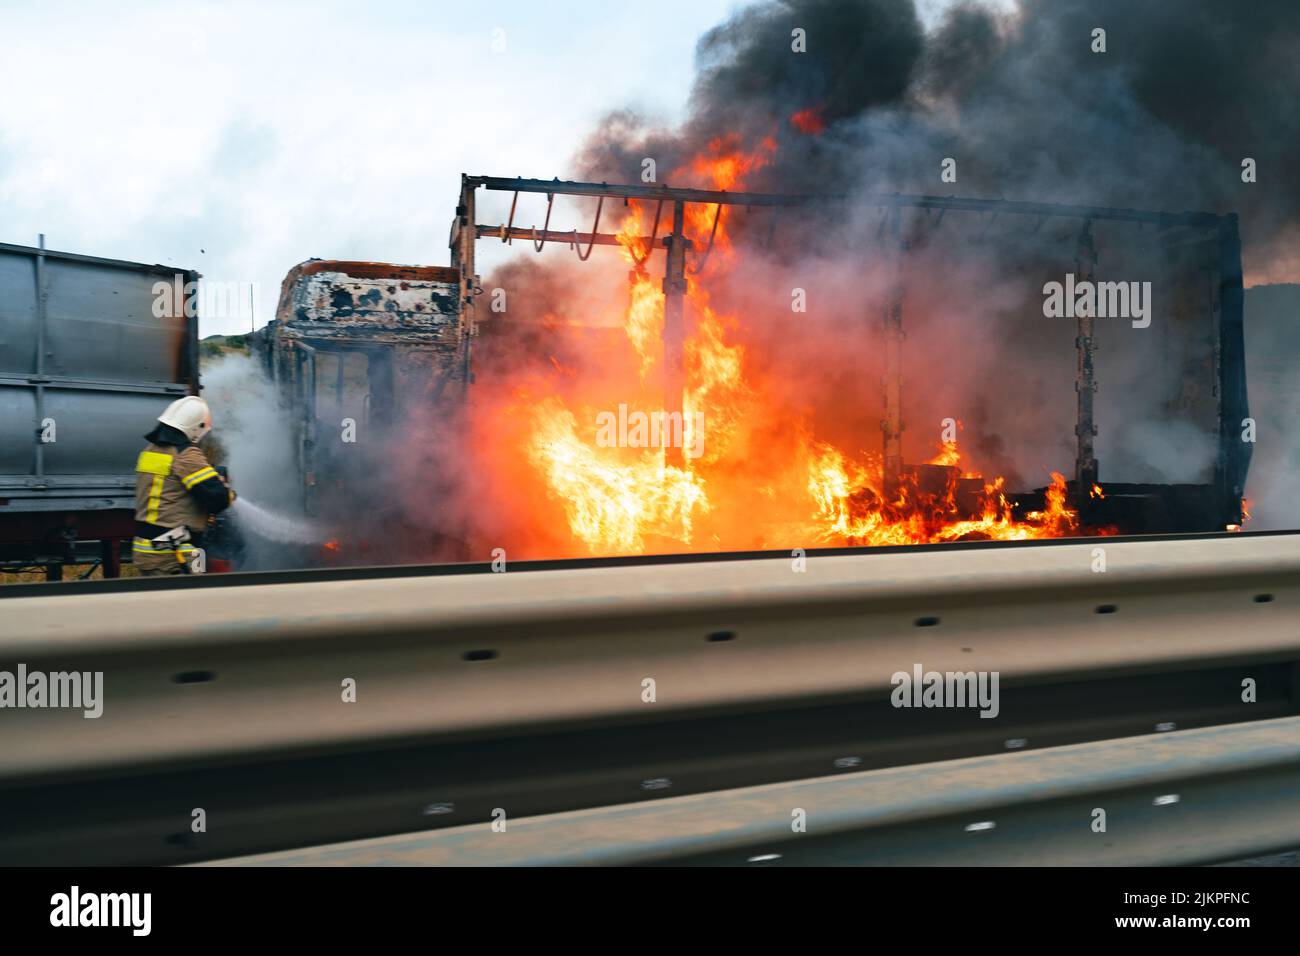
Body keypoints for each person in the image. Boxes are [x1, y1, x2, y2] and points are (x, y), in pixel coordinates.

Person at [132, 396, 236, 575]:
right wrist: (228, 493)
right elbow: (218, 498)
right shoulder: (186, 455)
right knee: (191, 601)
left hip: (148, 551)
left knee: (160, 601)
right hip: (177, 553)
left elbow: (172, 491)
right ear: (196, 427)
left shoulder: (150, 450)